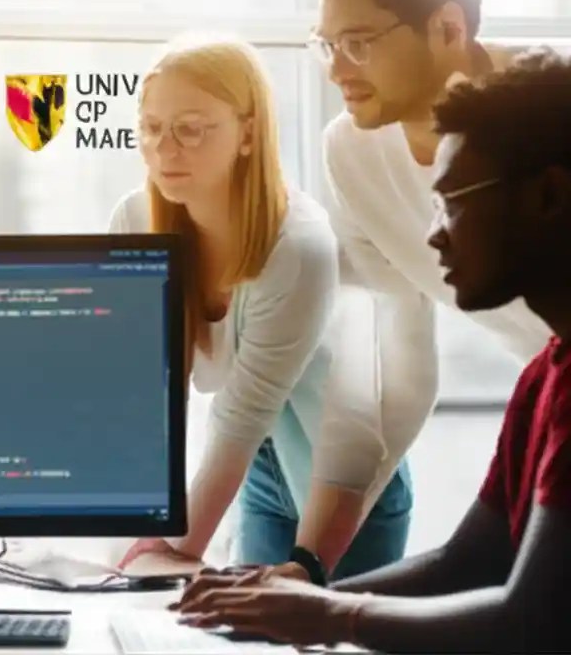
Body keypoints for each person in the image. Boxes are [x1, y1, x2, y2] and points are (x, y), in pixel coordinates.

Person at [170, 47, 571, 655]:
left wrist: (332, 614)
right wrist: (295, 600)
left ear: (547, 196)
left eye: (453, 202)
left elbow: (534, 617)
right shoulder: (546, 373)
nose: (433, 233)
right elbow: (471, 560)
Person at [289, 0, 552, 580]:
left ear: (448, 27)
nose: (336, 70)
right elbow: (396, 375)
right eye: (326, 45)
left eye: (358, 42)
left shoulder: (554, 112)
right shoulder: (352, 152)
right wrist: (306, 567)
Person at [109, 34, 408, 579]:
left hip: (346, 483)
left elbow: (242, 413)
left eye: (191, 128)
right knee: (236, 628)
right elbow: (151, 394)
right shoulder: (135, 221)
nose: (164, 148)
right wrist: (139, 536)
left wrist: (168, 553)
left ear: (248, 133)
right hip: (262, 466)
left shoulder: (297, 246)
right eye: (151, 127)